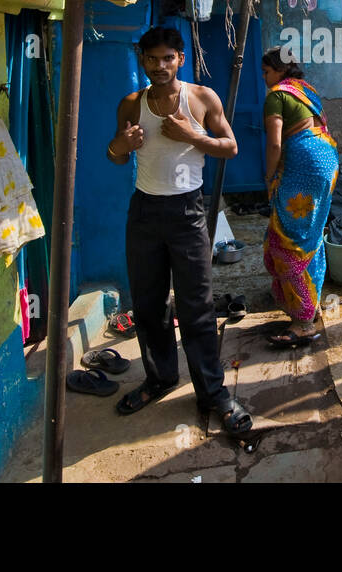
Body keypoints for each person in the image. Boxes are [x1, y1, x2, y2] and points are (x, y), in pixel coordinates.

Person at [107, 26, 251, 435]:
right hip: (145, 213)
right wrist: (121, 145)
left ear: (180, 59)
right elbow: (114, 156)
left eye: (167, 58)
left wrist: (193, 135)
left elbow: (231, 146)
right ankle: (159, 378)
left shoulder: (202, 99)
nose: (159, 66)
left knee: (197, 307)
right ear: (143, 61)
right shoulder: (132, 104)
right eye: (151, 59)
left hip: (189, 211)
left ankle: (213, 392)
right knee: (148, 306)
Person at [260, 46, 340, 347]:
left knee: (288, 240)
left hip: (304, 165)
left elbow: (275, 145)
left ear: (279, 70)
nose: (265, 77)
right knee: (311, 235)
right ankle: (312, 305)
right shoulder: (305, 89)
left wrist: (268, 176)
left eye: (266, 71)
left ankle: (304, 321)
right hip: (327, 159)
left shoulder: (277, 95)